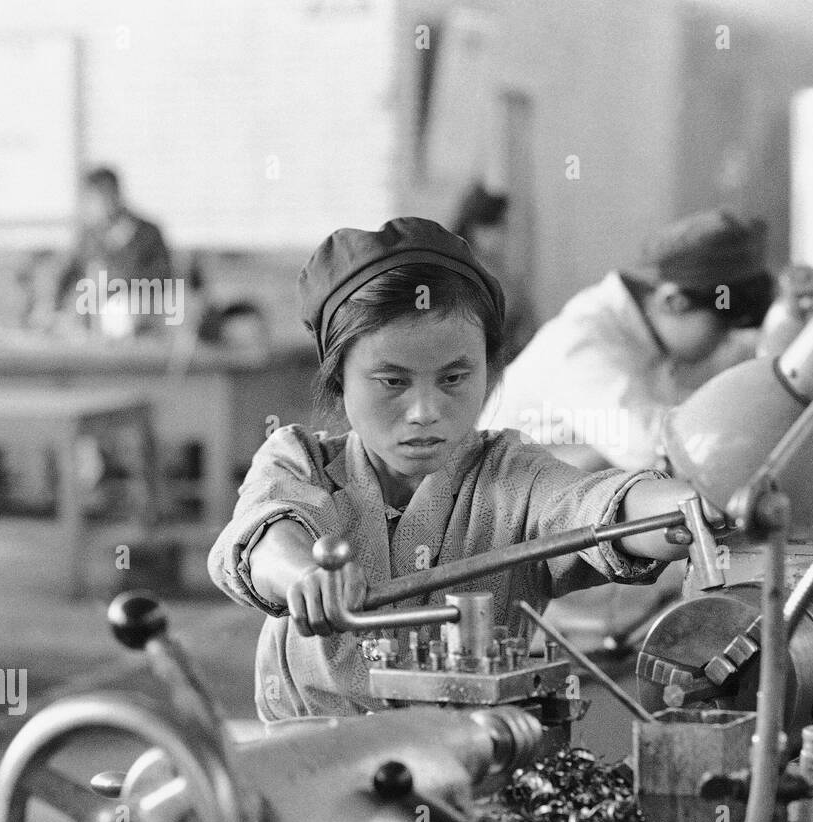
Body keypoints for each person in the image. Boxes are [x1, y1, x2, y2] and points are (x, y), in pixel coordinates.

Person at [207, 217, 719, 720]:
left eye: (453, 378)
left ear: (489, 372)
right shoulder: (300, 462)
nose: (425, 411)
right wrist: (305, 574)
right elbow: (266, 534)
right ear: (339, 377)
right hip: (313, 758)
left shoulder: (512, 477)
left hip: (475, 756)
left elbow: (599, 506)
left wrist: (696, 507)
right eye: (392, 381)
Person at [481, 208, 774, 471]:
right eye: (722, 328)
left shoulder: (646, 338)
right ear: (674, 301)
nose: (725, 342)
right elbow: (655, 451)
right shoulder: (583, 343)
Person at [56, 166, 174, 330]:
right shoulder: (89, 236)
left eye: (94, 198)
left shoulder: (147, 234)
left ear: (113, 195)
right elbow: (72, 275)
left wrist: (120, 286)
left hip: (138, 313)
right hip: (91, 317)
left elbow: (162, 277)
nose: (89, 206)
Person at [450, 180, 537, 367]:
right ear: (478, 229)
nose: (504, 235)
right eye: (500, 226)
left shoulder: (494, 268)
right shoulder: (467, 270)